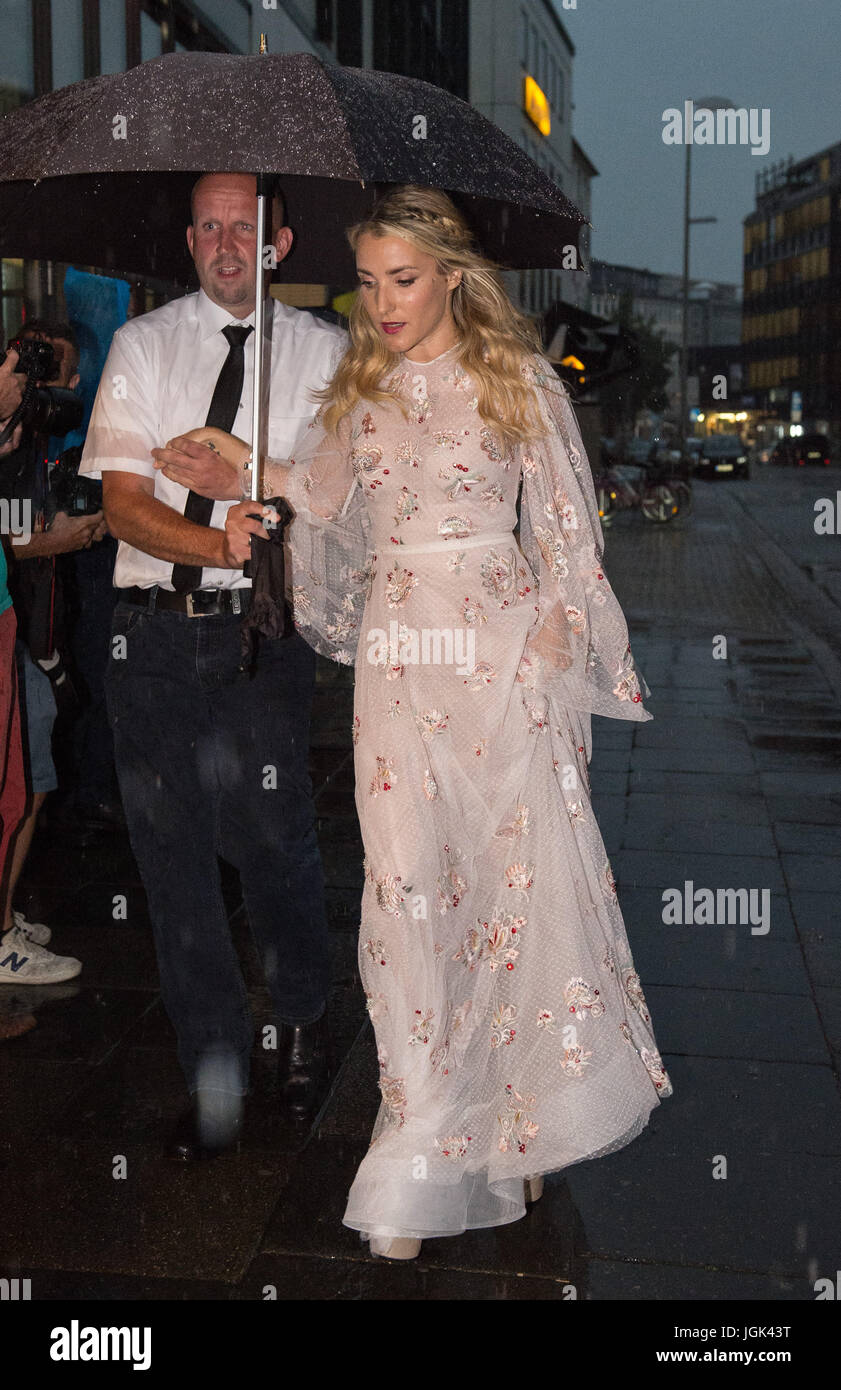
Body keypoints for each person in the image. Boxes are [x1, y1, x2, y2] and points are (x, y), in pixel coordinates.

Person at [158, 185, 674, 1256]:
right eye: (370, 284)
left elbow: (572, 535)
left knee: (508, 894)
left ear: (450, 275)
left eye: (404, 280)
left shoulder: (518, 379)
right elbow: (329, 497)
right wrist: (239, 472)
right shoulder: (361, 390)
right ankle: (423, 1144)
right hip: (399, 663)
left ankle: (523, 1130)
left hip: (500, 660)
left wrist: (553, 649)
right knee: (403, 890)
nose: (384, 304)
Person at [79, 173, 346, 1159]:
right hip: (148, 635)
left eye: (246, 227)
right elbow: (122, 503)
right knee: (174, 864)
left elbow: (338, 499)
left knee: (274, 838)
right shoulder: (144, 346)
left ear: (275, 244)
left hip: (259, 640)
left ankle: (306, 1019)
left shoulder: (326, 356)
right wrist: (215, 540)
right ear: (190, 240)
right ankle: (218, 1075)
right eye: (210, 228)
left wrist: (256, 489)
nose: (228, 244)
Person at [0, 324, 92, 985]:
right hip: (16, 628)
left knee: (27, 786)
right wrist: (66, 538)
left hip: (23, 631)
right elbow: (16, 538)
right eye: (21, 371)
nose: (33, 387)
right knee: (16, 790)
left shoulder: (32, 446)